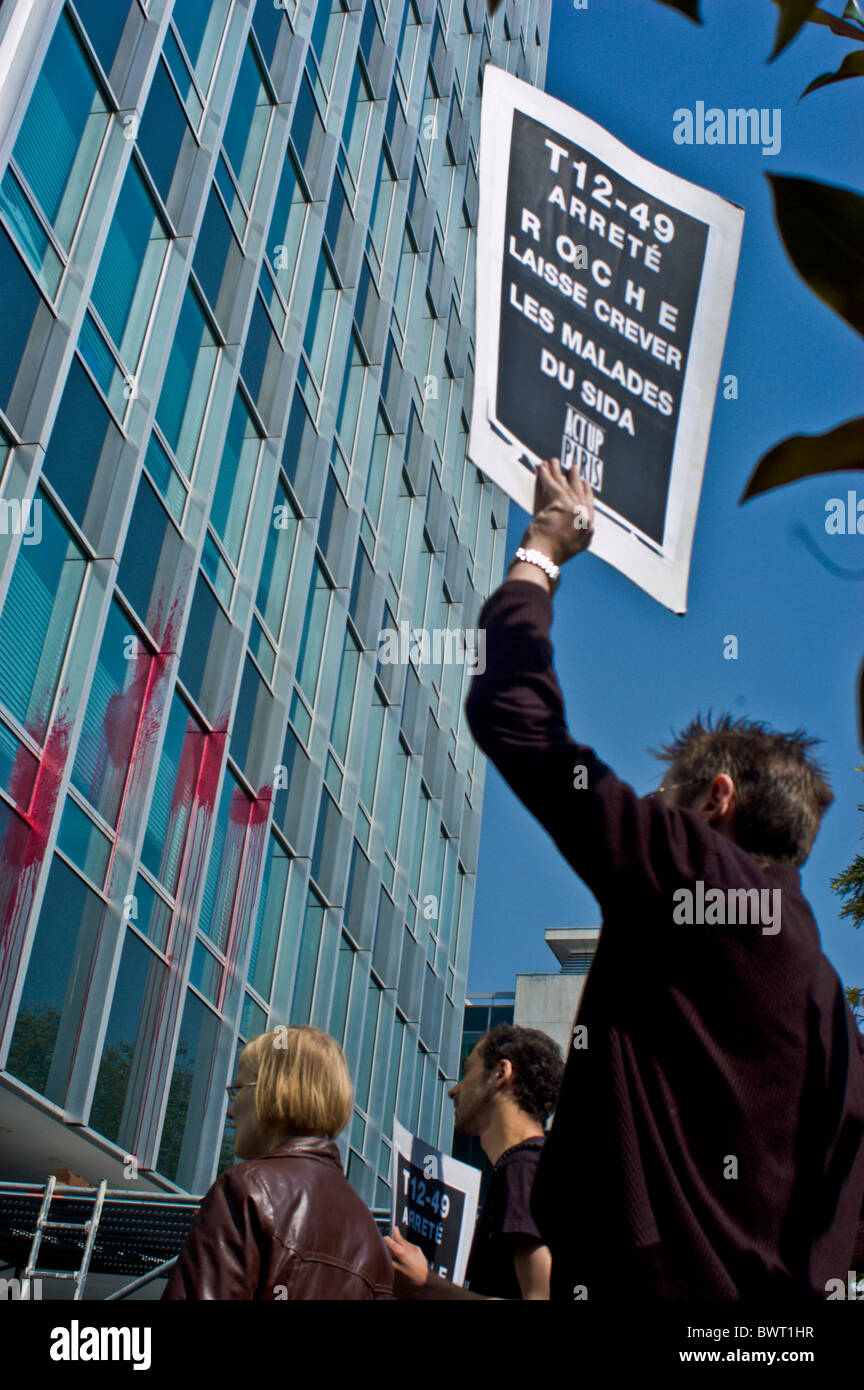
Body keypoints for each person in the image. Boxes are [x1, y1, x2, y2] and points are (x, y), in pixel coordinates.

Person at [464, 457, 864, 1301]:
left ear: (716, 802)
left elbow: (512, 711)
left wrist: (541, 548)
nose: (644, 814)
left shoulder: (697, 877)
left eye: (663, 801)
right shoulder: (829, 1007)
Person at [162, 1025, 392, 1300]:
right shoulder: (370, 1236)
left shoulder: (247, 1188)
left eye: (238, 1089)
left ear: (274, 1090)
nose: (230, 1111)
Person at [385, 1024, 564, 1299]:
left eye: (467, 1071)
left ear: (500, 1074)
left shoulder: (521, 1170)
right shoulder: (534, 1167)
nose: (453, 1091)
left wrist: (425, 1284)